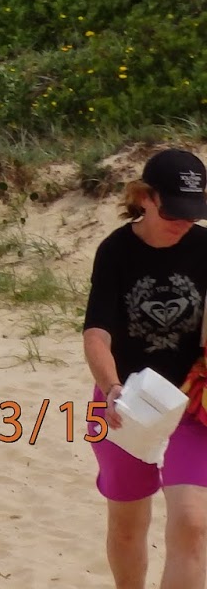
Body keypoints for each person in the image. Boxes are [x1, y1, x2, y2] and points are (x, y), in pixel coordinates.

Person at [83, 148, 207, 588]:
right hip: (125, 404)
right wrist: (111, 386)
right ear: (145, 197)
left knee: (193, 522)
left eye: (193, 212)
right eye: (174, 210)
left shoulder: (205, 247)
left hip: (193, 402)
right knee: (128, 523)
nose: (184, 221)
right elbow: (97, 332)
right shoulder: (116, 251)